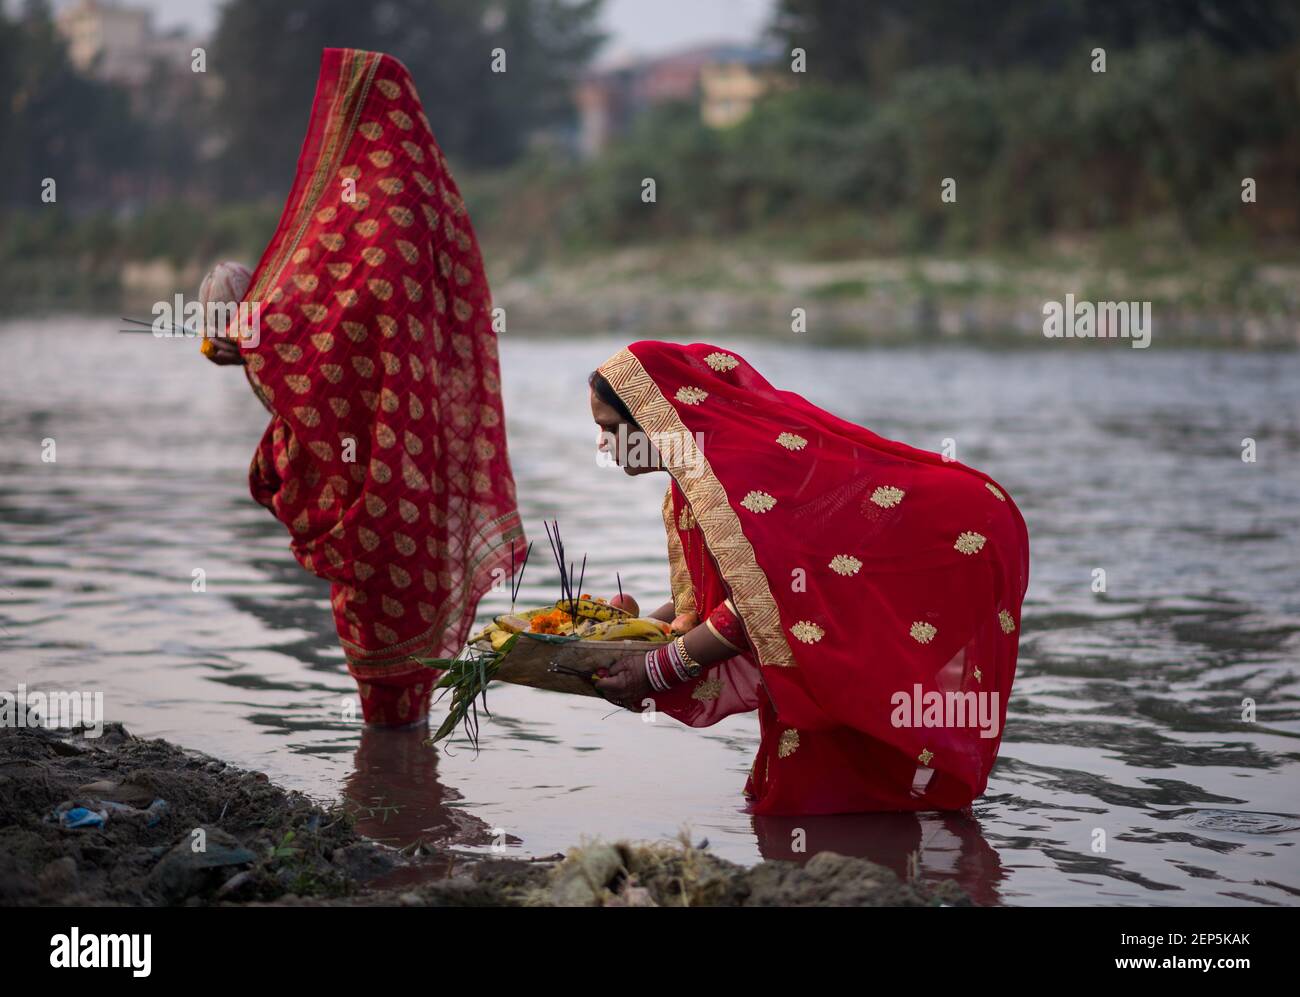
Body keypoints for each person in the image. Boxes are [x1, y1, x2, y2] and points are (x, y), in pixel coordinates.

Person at [200, 48, 523, 727]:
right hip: (417, 437)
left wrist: (253, 335)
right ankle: (400, 780)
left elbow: (340, 313)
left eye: (340, 106)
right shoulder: (433, 200)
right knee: (400, 586)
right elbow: (337, 308)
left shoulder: (378, 207)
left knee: (377, 585)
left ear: (362, 112)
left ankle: (388, 775)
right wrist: (264, 333)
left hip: (380, 441)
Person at [589, 342, 1029, 815]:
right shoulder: (693, 484)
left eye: (608, 429)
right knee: (803, 780)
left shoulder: (741, 472)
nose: (602, 445)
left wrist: (655, 670)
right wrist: (617, 641)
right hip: (831, 598)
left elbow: (764, 600)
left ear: (654, 422)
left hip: (938, 555)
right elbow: (710, 596)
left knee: (846, 752)